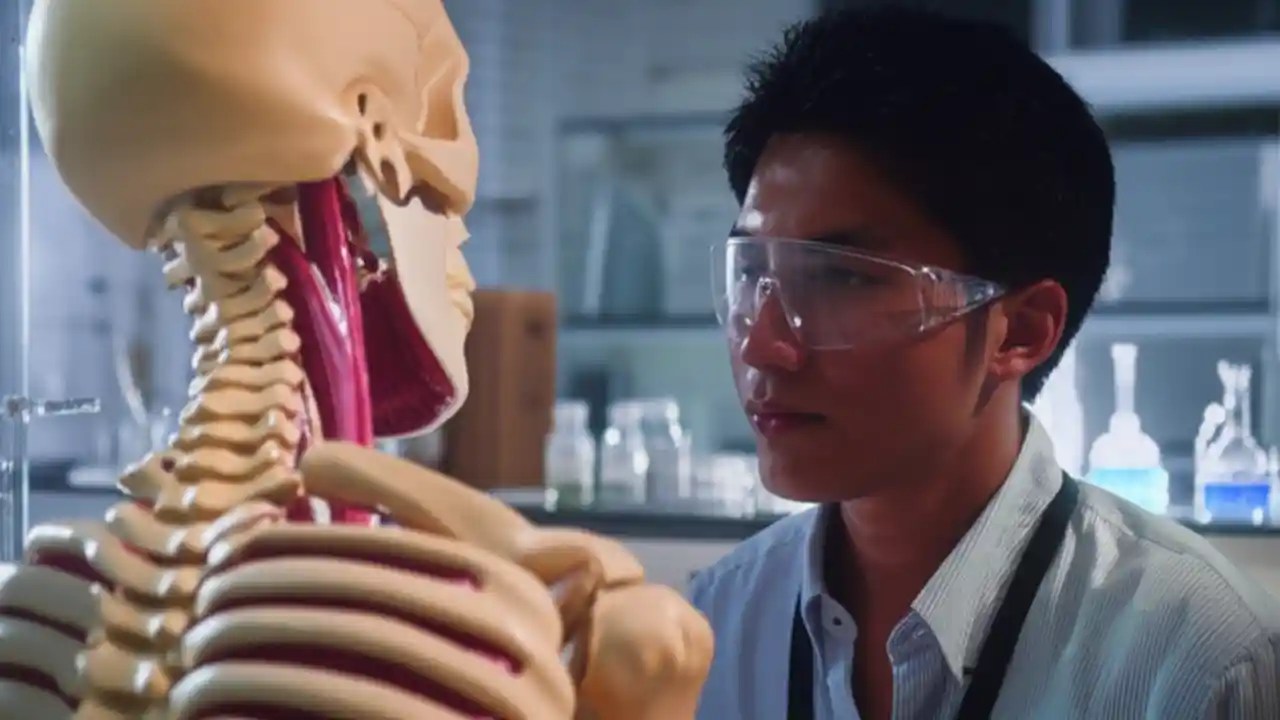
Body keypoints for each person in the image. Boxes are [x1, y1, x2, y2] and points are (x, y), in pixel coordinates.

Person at [687, 6, 1280, 719]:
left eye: (840, 277)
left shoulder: (1192, 661)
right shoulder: (715, 626)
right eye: (753, 273)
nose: (762, 344)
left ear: (1019, 332)